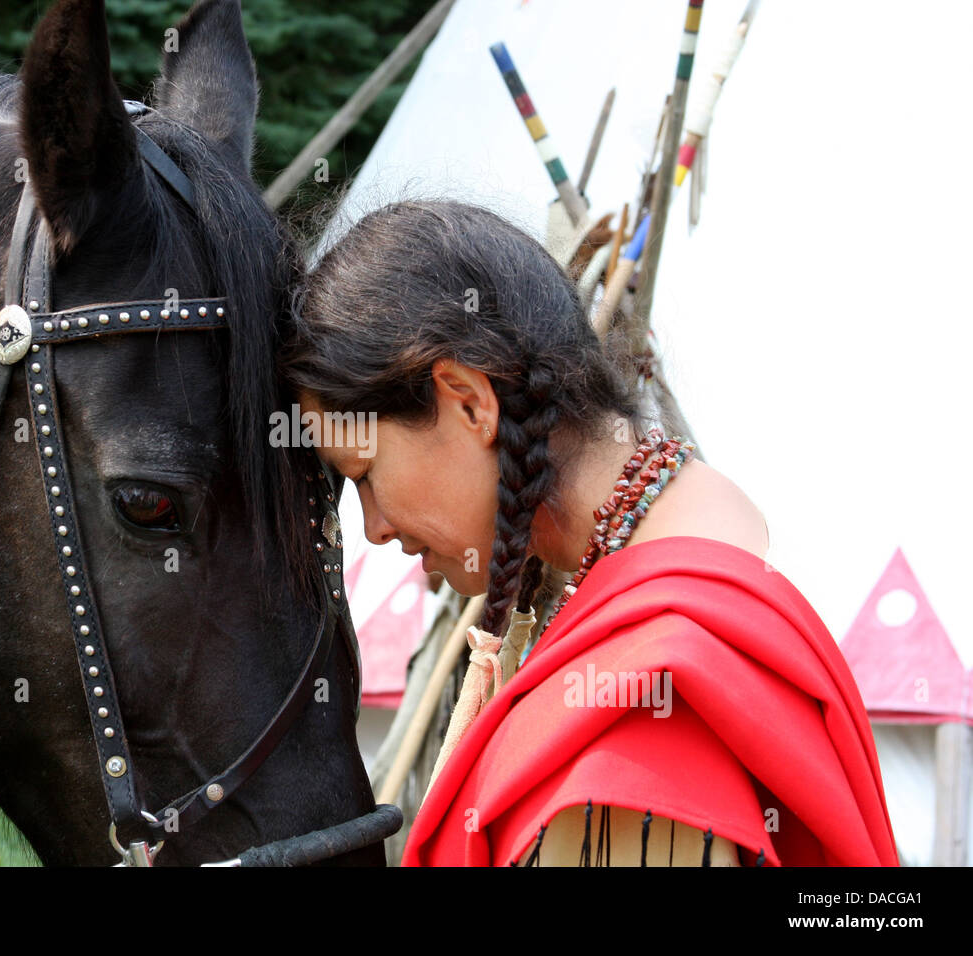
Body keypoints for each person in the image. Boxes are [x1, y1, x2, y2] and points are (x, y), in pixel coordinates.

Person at [281, 200, 898, 866]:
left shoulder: (639, 721)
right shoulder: (680, 594)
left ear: (467, 400)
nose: (372, 528)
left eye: (366, 472)